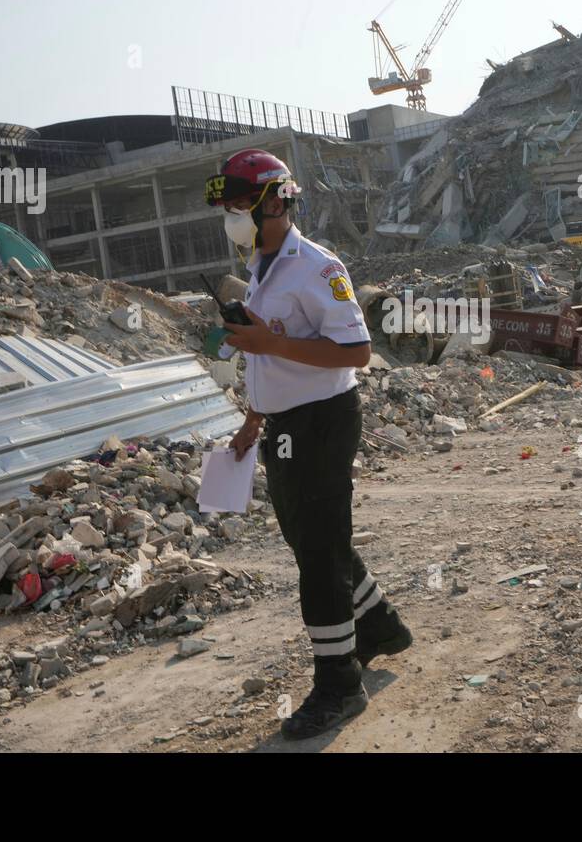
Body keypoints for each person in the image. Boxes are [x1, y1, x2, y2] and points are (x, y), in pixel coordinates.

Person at [205, 149, 412, 740]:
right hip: (285, 422)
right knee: (309, 536)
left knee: (318, 550)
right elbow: (269, 355)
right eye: (228, 206)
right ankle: (379, 627)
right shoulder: (263, 269)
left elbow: (356, 352)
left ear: (277, 203)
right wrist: (253, 418)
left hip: (322, 419)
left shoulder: (317, 266)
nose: (233, 216)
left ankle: (338, 684)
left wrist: (269, 346)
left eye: (242, 204)